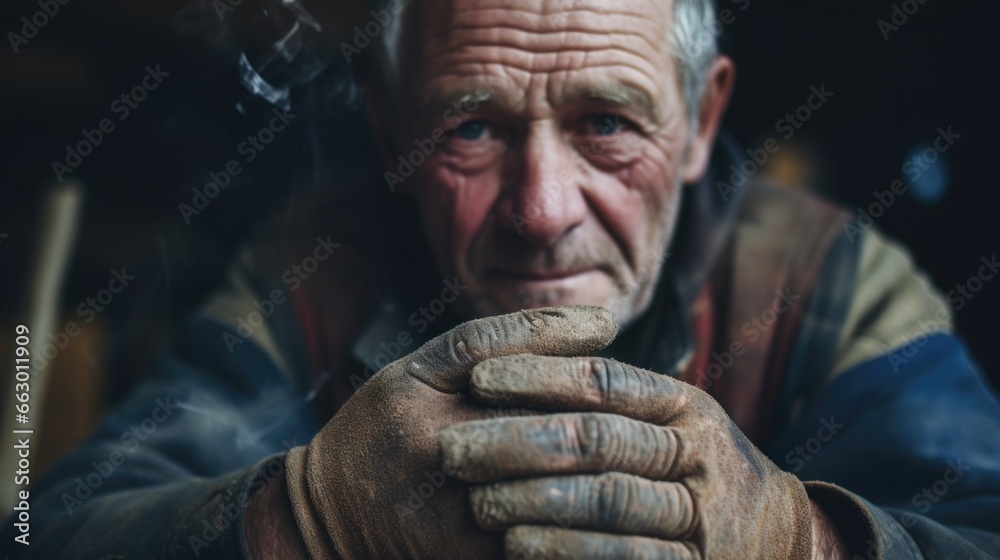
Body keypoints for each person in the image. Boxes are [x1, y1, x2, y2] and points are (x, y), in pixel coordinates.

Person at [7, 0, 1000, 558]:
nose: (539, 212)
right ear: (392, 124)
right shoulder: (318, 264)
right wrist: (301, 519)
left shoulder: (829, 280)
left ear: (699, 122)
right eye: (471, 126)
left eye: (606, 123)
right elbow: (48, 536)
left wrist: (799, 540)